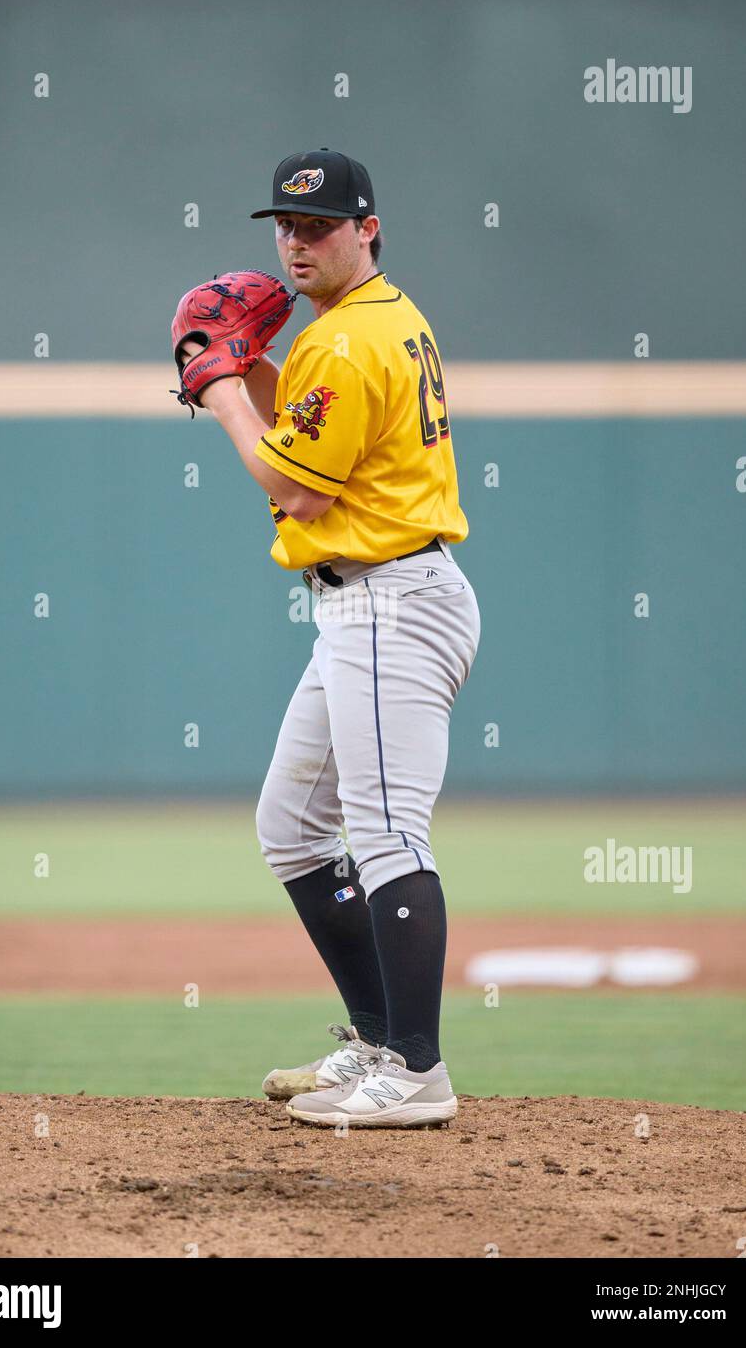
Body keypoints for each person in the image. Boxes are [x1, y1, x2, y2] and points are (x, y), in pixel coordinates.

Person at [181, 148, 480, 1128]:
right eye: (285, 226)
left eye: (318, 225)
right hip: (367, 599)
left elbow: (299, 485)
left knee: (386, 832)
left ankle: (417, 1073)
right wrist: (254, 370)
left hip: (391, 600)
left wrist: (218, 388)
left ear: (367, 229)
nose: (296, 242)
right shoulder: (366, 326)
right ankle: (375, 1043)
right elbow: (316, 442)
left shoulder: (345, 341)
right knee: (291, 825)